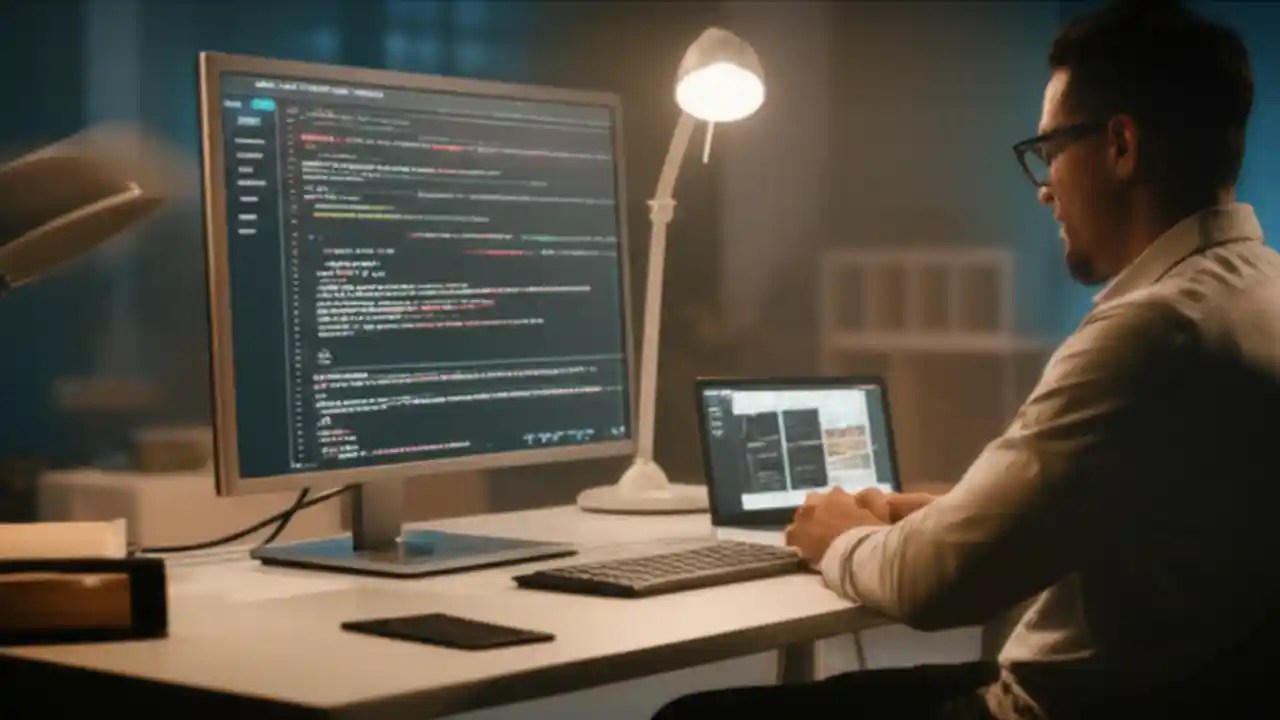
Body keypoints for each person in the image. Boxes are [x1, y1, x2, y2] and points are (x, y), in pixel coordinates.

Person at [655, 1, 1280, 718]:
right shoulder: (1258, 296)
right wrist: (949, 512)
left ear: (1121, 147)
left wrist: (840, 539)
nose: (1046, 188)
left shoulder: (1150, 333)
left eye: (1050, 151)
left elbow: (933, 587)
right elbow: (1145, 511)